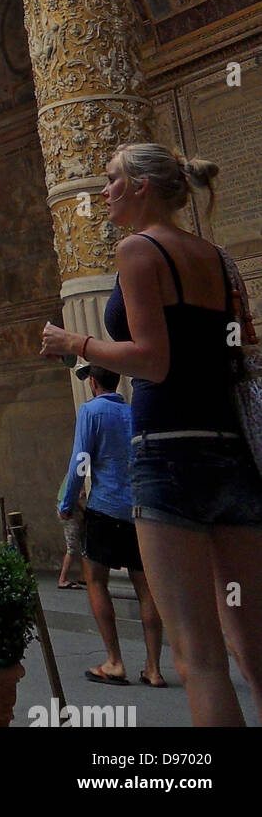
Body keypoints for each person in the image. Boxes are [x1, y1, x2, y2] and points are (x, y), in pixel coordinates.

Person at [41, 143, 262, 725]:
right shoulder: (217, 258)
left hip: (167, 456)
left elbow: (153, 361)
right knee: (253, 641)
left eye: (114, 179)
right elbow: (241, 350)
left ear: (142, 186)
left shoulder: (138, 249)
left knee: (200, 657)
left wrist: (75, 344)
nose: (105, 190)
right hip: (231, 450)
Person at [59, 365, 165, 686]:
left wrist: (68, 502)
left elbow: (80, 461)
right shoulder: (133, 412)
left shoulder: (90, 411)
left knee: (95, 581)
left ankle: (115, 661)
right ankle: (154, 668)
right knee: (146, 587)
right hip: (138, 509)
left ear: (92, 381)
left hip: (104, 507)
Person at [56, 470, 87, 589]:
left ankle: (84, 576)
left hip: (70, 511)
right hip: (69, 513)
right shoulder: (79, 472)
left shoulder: (75, 471)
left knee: (83, 544)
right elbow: (69, 496)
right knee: (72, 548)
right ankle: (62, 579)